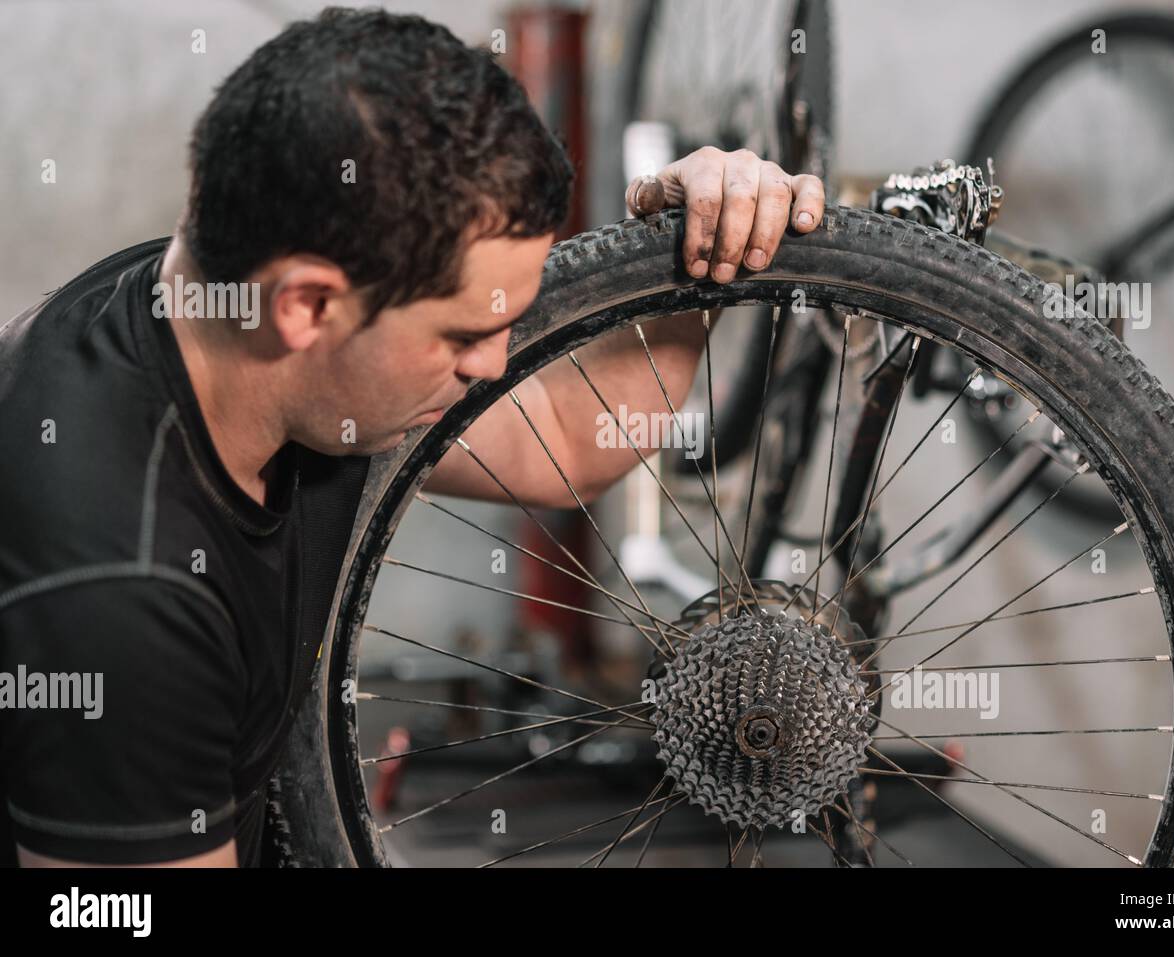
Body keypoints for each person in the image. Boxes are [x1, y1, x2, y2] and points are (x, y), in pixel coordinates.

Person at [0, 7, 825, 867]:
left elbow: (564, 434)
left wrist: (695, 261)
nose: (494, 365)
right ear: (308, 305)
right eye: (465, 335)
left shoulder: (239, 323)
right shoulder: (116, 594)